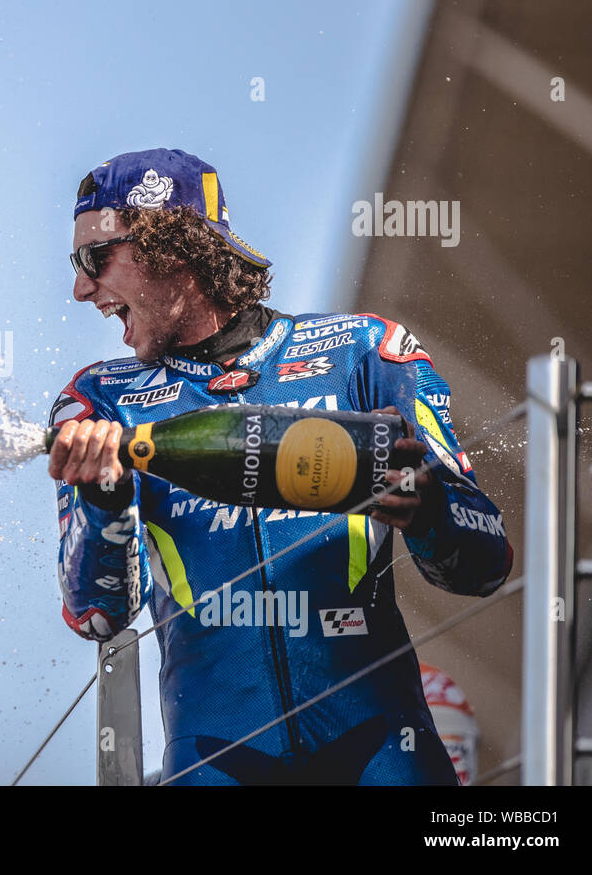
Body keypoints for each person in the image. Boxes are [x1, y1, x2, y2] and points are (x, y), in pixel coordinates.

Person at [47, 147, 512, 785]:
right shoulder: (98, 400)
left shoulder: (362, 351)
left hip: (379, 746)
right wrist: (104, 500)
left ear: (170, 245)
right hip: (213, 756)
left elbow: (487, 565)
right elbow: (96, 614)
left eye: (93, 259)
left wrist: (430, 509)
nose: (80, 288)